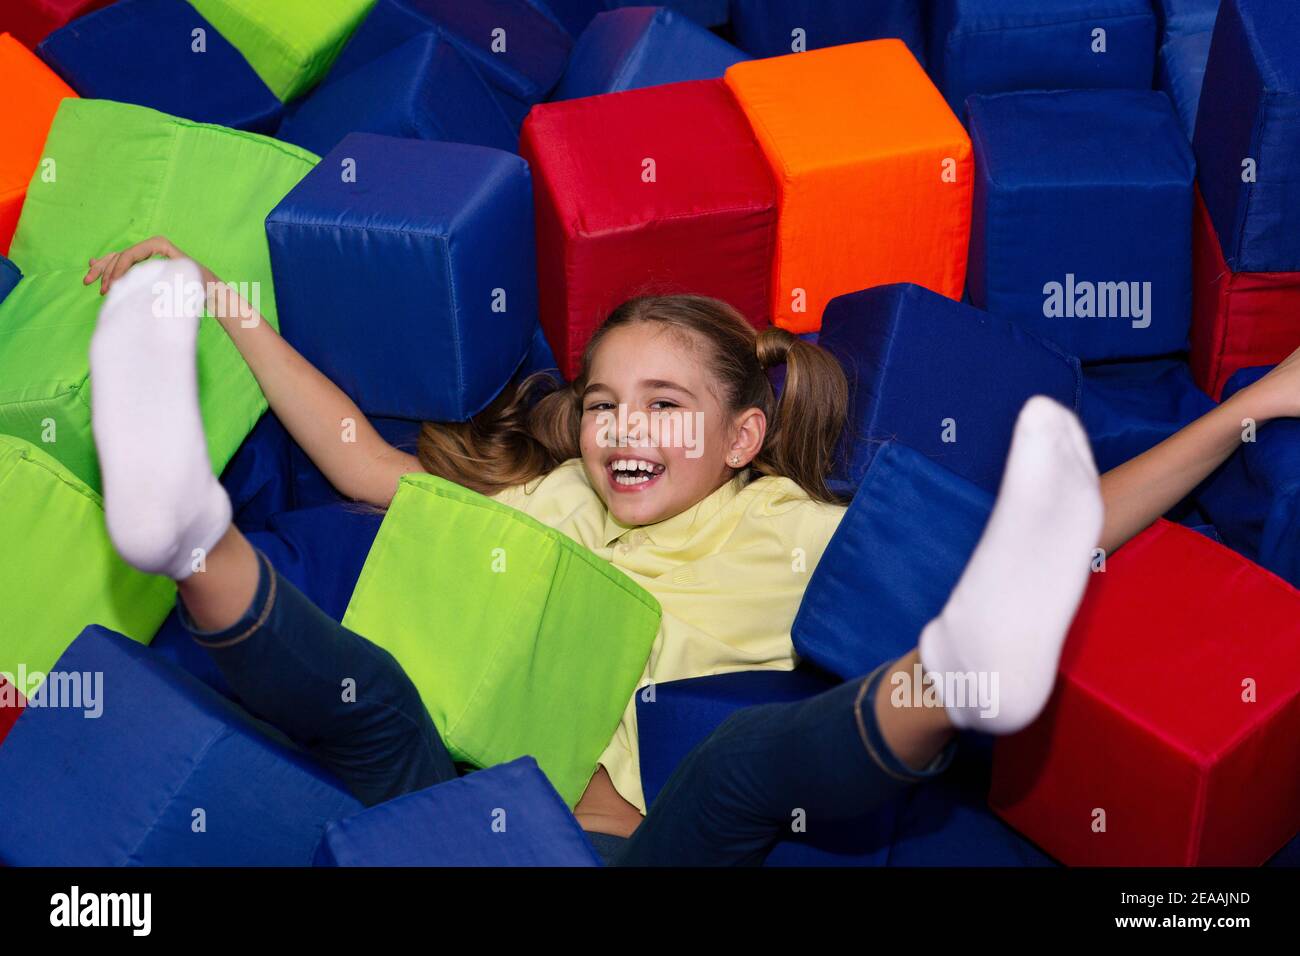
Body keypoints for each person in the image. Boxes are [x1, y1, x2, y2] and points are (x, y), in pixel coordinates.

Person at [83, 238, 1300, 864]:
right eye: (605, 400)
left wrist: (1251, 403)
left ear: (742, 437)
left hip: (642, 856)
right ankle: (188, 534)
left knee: (735, 771)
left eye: (665, 402)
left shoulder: (794, 532)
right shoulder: (554, 498)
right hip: (457, 826)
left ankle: (956, 675)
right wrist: (222, 302)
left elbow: (1074, 523)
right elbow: (362, 462)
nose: (622, 426)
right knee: (372, 702)